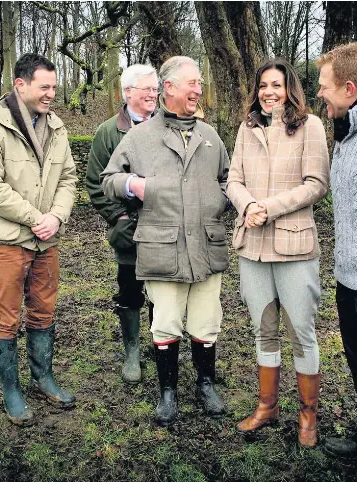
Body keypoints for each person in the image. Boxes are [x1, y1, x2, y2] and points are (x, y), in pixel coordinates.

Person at [101, 56, 230, 427]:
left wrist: (219, 200)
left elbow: (228, 178)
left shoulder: (211, 136)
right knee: (166, 321)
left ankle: (206, 384)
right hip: (162, 247)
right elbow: (108, 179)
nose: (199, 89)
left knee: (206, 321)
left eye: (200, 83)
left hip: (206, 244)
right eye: (192, 83)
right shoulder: (140, 137)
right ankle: (168, 393)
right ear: (169, 87)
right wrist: (133, 184)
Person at [0, 53, 77, 426]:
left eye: (54, 87)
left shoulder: (56, 127)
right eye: (44, 87)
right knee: (7, 316)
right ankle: (11, 391)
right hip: (7, 239)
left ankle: (43, 378)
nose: (51, 94)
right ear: (20, 84)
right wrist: (35, 218)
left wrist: (56, 217)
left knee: (44, 310)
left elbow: (68, 179)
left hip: (47, 239)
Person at [227, 58, 329, 447]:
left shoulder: (309, 126)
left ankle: (307, 417)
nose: (269, 92)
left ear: (290, 89)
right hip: (253, 247)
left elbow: (316, 184)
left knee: (301, 332)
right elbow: (233, 180)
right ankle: (266, 406)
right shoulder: (246, 128)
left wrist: (268, 208)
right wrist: (247, 205)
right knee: (263, 330)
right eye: (263, 86)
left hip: (295, 247)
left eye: (277, 85)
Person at [316, 43, 357, 458]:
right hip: (351, 276)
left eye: (324, 86)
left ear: (349, 88)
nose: (319, 92)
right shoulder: (350, 128)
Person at [86, 64, 158, 384]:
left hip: (164, 226)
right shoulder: (107, 132)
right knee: (130, 289)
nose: (153, 95)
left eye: (155, 89)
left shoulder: (167, 126)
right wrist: (120, 216)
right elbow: (96, 182)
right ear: (128, 92)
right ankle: (132, 352)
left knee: (162, 289)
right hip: (128, 229)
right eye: (147, 89)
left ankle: (160, 344)